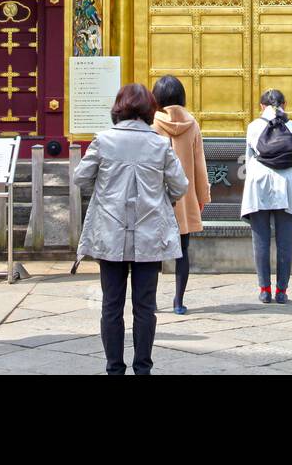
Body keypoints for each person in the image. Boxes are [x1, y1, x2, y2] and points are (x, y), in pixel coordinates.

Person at [75, 83, 187, 375]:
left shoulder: (103, 140)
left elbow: (81, 178)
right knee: (145, 306)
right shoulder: (160, 143)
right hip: (149, 234)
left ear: (119, 107)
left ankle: (114, 368)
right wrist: (163, 199)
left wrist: (103, 192)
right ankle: (143, 367)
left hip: (110, 233)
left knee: (111, 305)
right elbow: (180, 185)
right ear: (150, 110)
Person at [151, 75, 211, 315]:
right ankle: (178, 301)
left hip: (156, 197)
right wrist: (201, 196)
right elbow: (199, 164)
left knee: (152, 252)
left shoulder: (151, 123)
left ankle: (152, 301)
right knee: (183, 251)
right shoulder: (192, 124)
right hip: (184, 197)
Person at [240, 89, 292, 305]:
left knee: (261, 240)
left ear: (261, 106)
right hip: (286, 184)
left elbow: (248, 160)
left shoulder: (253, 126)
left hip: (258, 183)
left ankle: (264, 289)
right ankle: (282, 291)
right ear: (285, 103)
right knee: (285, 241)